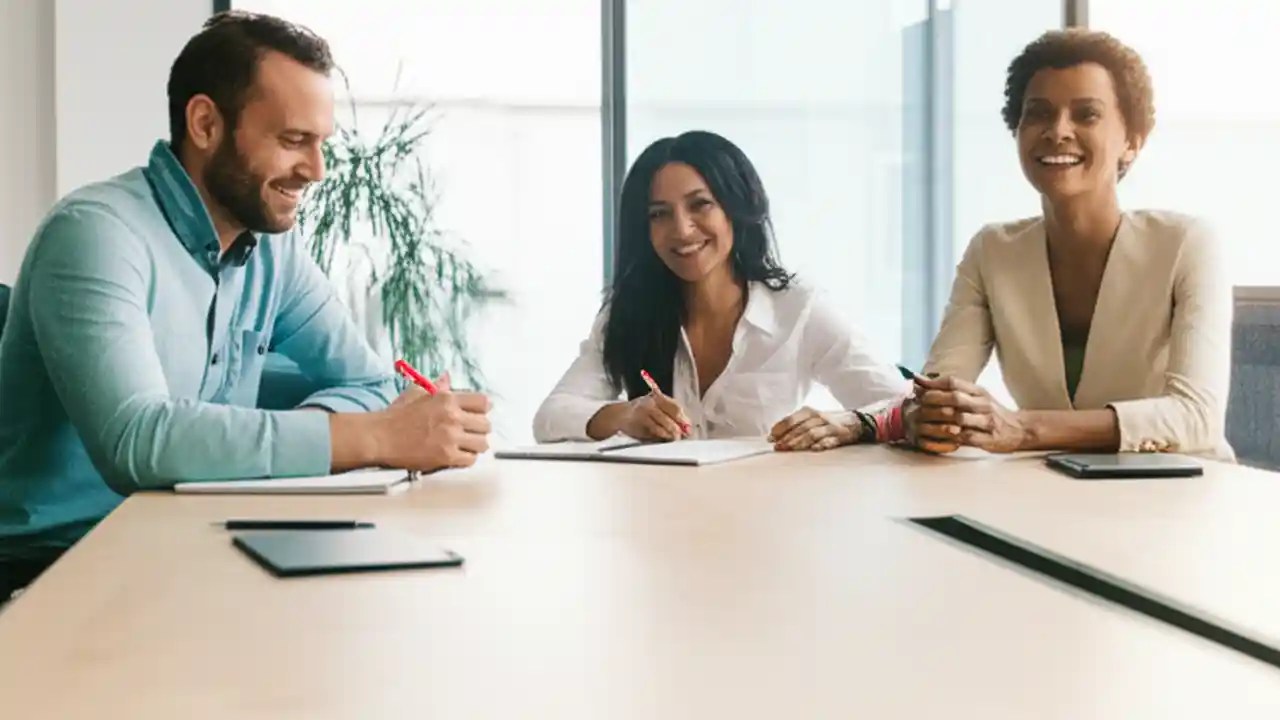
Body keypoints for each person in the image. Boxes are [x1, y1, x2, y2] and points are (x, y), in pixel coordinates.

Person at [0, 11, 491, 598]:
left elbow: (370, 380)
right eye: (292, 141)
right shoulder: (96, 235)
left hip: (186, 541)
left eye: (320, 144)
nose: (316, 170)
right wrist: (377, 437)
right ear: (205, 123)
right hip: (55, 564)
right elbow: (138, 442)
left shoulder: (270, 252)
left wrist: (342, 427)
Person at [906, 29, 1232, 459]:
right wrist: (928, 415)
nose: (1058, 131)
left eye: (1087, 114)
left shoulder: (1186, 243)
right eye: (1038, 113)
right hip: (1054, 493)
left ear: (1132, 141)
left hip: (1178, 493)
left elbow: (1197, 416)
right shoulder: (992, 251)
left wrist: (1024, 428)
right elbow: (938, 389)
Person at [533, 130, 907, 448]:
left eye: (701, 205)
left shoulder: (797, 309)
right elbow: (550, 417)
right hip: (658, 519)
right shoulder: (629, 313)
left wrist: (845, 424)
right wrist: (624, 415)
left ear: (735, 208)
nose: (681, 229)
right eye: (658, 214)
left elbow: (901, 406)